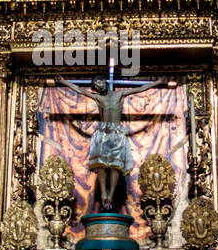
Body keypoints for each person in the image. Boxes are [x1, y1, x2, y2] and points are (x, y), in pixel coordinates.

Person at [54, 74, 169, 211]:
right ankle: (103, 193)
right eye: (96, 86)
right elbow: (80, 90)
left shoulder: (119, 94)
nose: (99, 86)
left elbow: (140, 89)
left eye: (100, 83)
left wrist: (157, 82)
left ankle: (111, 195)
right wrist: (63, 81)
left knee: (115, 166)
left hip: (116, 134)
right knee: (102, 165)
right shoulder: (98, 98)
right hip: (103, 133)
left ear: (104, 81)